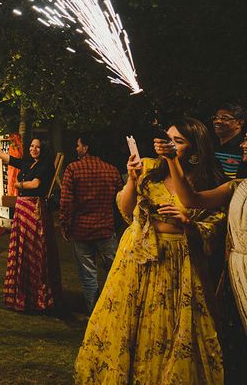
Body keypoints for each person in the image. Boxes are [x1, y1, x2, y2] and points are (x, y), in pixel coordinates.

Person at [75, 117, 226, 384]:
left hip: (179, 263)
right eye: (168, 139)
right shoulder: (148, 168)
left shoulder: (207, 182)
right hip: (136, 258)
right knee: (128, 324)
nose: (169, 145)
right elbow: (124, 209)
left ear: (196, 148)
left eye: (178, 142)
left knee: (172, 327)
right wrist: (132, 180)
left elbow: (214, 227)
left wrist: (187, 224)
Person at [157, 131, 247, 381]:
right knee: (234, 339)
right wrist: (173, 161)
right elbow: (191, 199)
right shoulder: (237, 186)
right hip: (236, 273)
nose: (243, 143)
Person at [0, 127, 61, 312]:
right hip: (22, 211)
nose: (33, 149)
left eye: (37, 147)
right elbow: (3, 156)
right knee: (21, 251)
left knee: (32, 251)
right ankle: (22, 293)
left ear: (44, 149)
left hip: (34, 211)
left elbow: (36, 184)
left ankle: (36, 296)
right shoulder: (28, 164)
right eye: (31, 146)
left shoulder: (46, 165)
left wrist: (18, 184)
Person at [59, 135, 122, 313]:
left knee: (88, 274)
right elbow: (121, 200)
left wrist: (65, 224)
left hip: (81, 230)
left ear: (86, 148)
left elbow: (65, 202)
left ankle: (94, 311)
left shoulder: (73, 169)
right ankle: (115, 307)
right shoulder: (112, 170)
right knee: (116, 270)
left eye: (78, 145)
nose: (76, 149)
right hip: (106, 229)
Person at [212, 104, 245, 179]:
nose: (217, 121)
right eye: (215, 118)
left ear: (239, 123)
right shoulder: (210, 143)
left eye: (225, 118)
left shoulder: (244, 148)